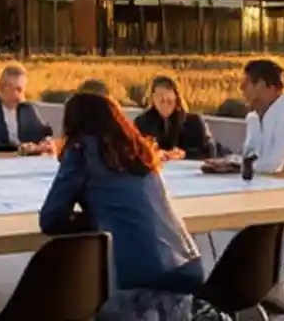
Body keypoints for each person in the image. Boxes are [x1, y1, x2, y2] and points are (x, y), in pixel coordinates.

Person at [39, 92, 204, 295]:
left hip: (136, 278)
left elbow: (50, 220)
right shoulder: (141, 151)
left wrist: (96, 220)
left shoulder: (81, 151)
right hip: (187, 267)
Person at [0, 63, 53, 154]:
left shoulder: (26, 108)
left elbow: (42, 133)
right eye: (18, 90)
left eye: (23, 91)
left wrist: (46, 142)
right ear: (3, 87)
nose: (22, 97)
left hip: (27, 163)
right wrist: (19, 148)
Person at [134, 76, 216, 161]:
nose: (165, 105)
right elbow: (132, 151)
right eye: (161, 101)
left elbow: (210, 151)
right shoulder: (142, 122)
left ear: (177, 100)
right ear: (153, 99)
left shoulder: (194, 122)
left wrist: (184, 154)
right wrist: (152, 154)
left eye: (169, 101)